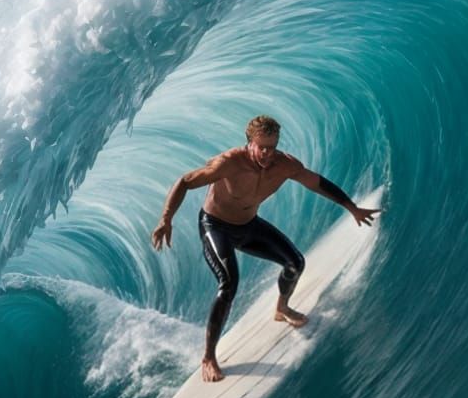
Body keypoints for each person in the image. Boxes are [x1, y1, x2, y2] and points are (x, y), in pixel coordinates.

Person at [152, 115, 379, 382]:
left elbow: (318, 184)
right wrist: (166, 219)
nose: (267, 153)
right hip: (216, 226)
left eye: (272, 147)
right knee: (228, 284)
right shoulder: (229, 163)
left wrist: (352, 208)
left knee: (295, 263)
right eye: (262, 147)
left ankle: (281, 309)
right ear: (249, 143)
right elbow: (186, 181)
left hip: (248, 225)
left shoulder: (285, 165)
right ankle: (209, 357)